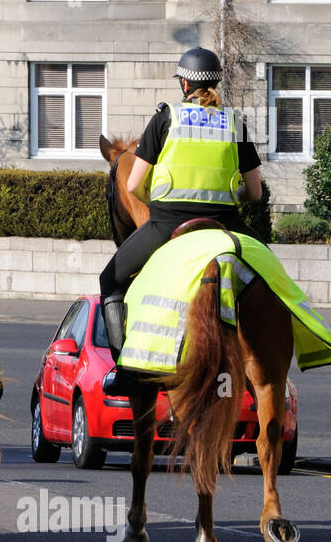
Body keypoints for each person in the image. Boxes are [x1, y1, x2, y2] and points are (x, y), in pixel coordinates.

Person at [99, 46, 263, 395]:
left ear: (184, 84)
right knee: (270, 281)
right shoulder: (236, 123)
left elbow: (133, 185)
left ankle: (125, 369)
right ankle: (268, 358)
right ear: (215, 81)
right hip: (227, 225)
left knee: (110, 281)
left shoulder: (165, 119)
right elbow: (255, 192)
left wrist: (158, 203)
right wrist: (231, 197)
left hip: (166, 225)